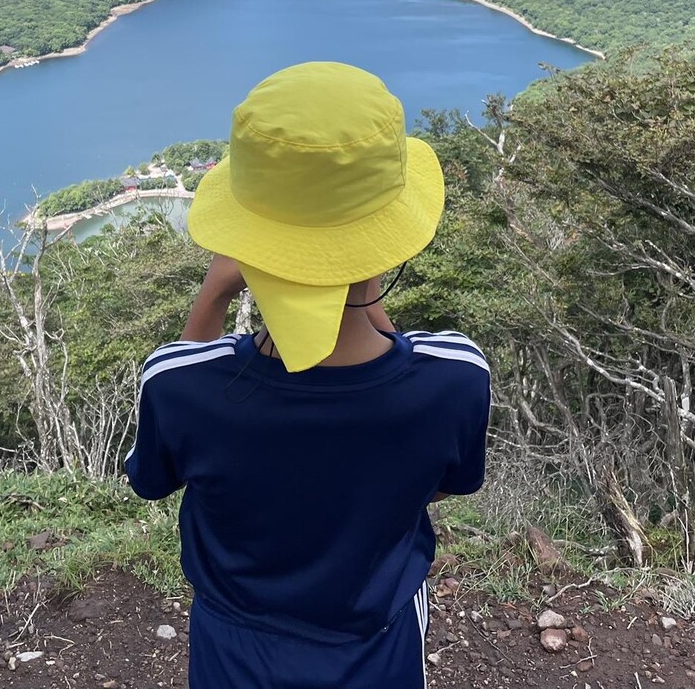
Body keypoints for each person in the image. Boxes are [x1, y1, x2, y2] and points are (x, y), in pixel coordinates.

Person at [125, 61, 491, 689]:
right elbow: (445, 482)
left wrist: (211, 299)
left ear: (247, 243)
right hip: (375, 640)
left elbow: (157, 481)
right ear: (388, 238)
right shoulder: (455, 375)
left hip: (232, 643)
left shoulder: (178, 382)